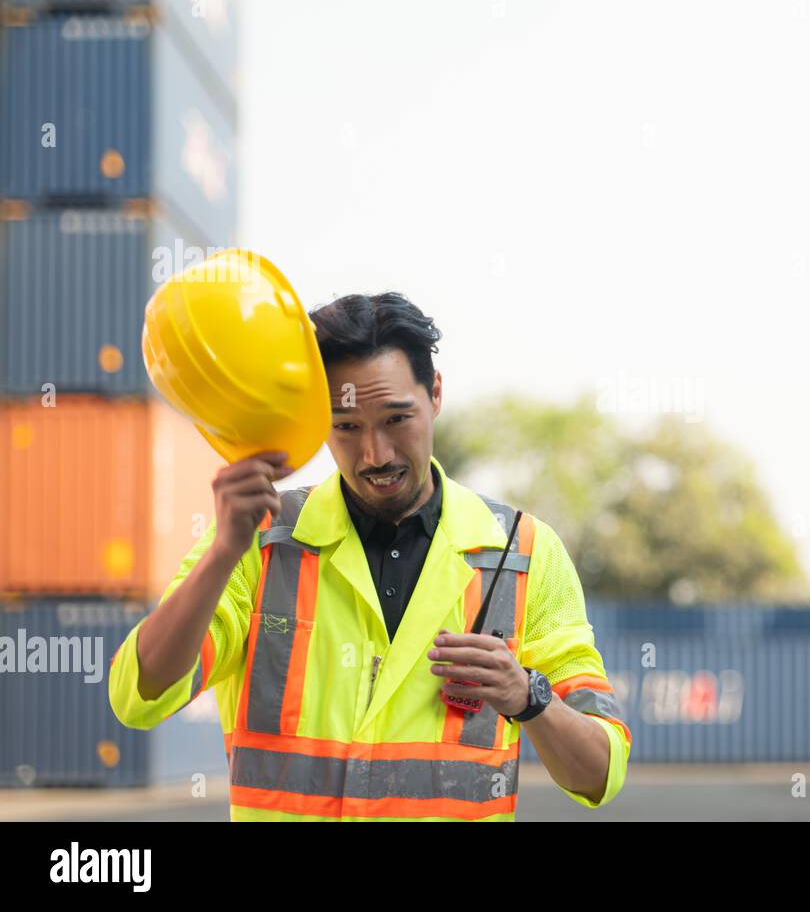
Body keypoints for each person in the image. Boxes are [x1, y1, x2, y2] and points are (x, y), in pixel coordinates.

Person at [109, 292, 630, 820]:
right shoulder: (255, 539)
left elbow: (599, 774)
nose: (375, 454)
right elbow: (140, 696)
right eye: (347, 426)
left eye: (396, 419)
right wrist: (223, 551)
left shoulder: (525, 553)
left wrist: (529, 696)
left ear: (435, 394)